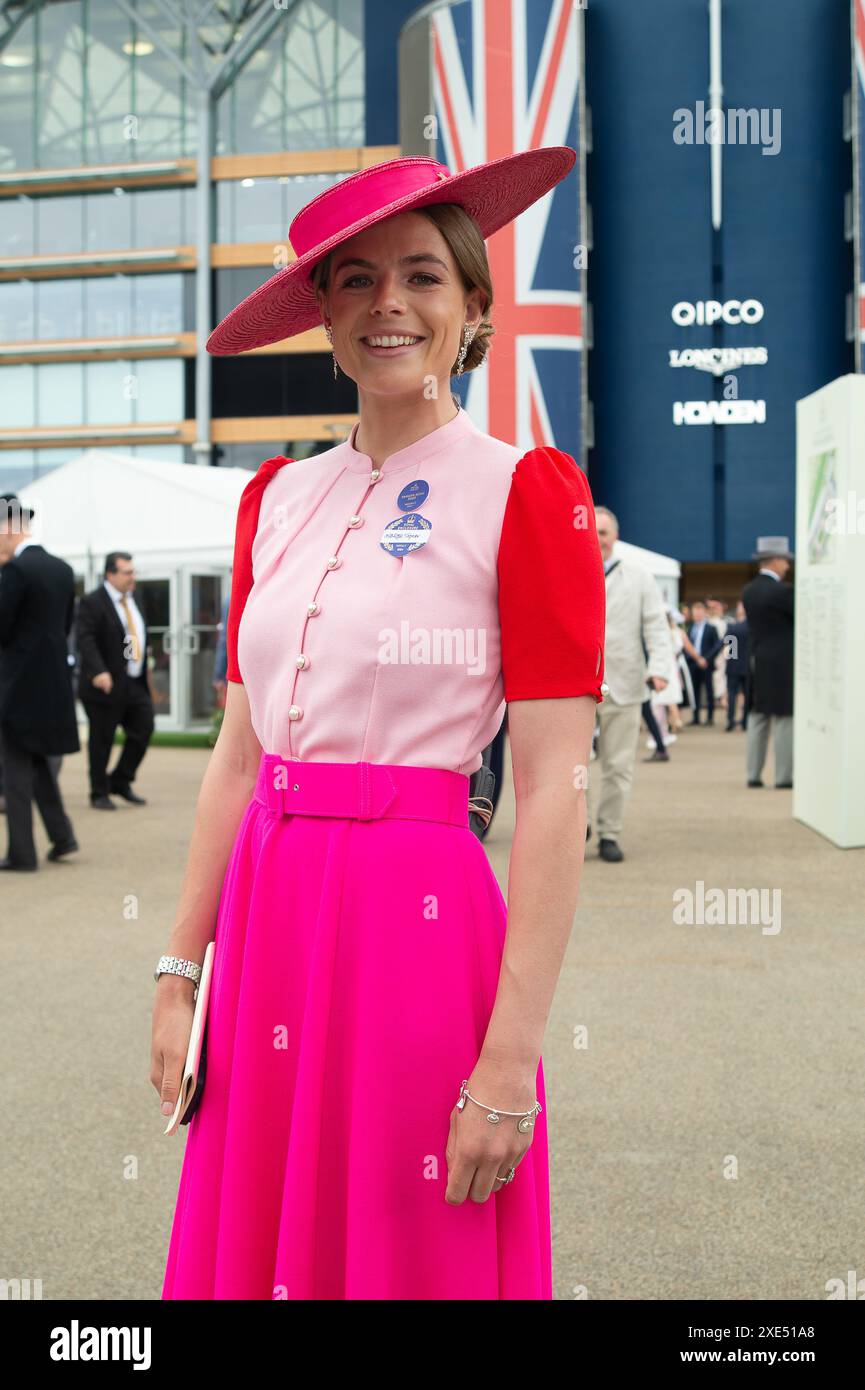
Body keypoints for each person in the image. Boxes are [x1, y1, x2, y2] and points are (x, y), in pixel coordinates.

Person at [152, 149, 606, 1301]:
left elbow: (554, 787)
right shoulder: (274, 498)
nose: (387, 304)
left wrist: (510, 1057)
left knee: (408, 1231)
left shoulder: (526, 492)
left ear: (471, 309)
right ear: (324, 314)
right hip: (267, 917)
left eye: (420, 277)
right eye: (354, 281)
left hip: (418, 922)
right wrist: (177, 972)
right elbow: (235, 762)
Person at [0, 493, 79, 870]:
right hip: (51, 685)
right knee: (40, 768)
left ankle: (22, 854)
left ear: (8, 528)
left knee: (15, 772)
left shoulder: (16, 572)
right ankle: (62, 837)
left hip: (16, 689)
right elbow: (64, 628)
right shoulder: (62, 570)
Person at [588, 507, 668, 861]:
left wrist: (660, 667)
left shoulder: (639, 577)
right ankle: (578, 824)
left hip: (624, 681)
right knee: (573, 766)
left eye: (605, 532)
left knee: (618, 765)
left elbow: (655, 625)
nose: (600, 539)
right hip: (576, 687)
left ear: (615, 536)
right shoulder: (568, 569)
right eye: (594, 531)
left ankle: (609, 832)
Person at [75, 552, 154, 809]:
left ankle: (120, 780)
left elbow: (136, 633)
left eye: (133, 571)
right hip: (104, 684)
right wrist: (98, 671)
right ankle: (99, 793)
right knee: (102, 740)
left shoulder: (135, 598)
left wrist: (142, 661)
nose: (133, 577)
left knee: (144, 728)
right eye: (127, 572)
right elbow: (85, 640)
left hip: (134, 681)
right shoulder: (92, 602)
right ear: (110, 574)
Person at [741, 537, 794, 788]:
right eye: (785, 560)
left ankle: (753, 774)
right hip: (782, 663)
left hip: (756, 659)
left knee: (757, 716)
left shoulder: (748, 591)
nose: (787, 565)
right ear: (775, 560)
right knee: (784, 718)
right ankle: (783, 776)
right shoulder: (784, 592)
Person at [685, 599, 724, 725]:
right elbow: (687, 646)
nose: (697, 616)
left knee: (709, 691)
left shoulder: (711, 628)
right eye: (695, 613)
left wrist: (706, 659)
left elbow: (717, 645)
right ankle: (695, 717)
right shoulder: (690, 628)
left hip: (707, 664)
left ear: (704, 613)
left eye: (699, 613)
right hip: (693, 664)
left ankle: (710, 718)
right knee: (694, 691)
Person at [723, 600, 749, 731]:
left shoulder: (732, 627)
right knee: (747, 694)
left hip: (733, 666)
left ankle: (730, 720)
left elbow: (729, 647)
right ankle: (745, 721)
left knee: (732, 694)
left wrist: (706, 658)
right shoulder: (752, 627)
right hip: (747, 667)